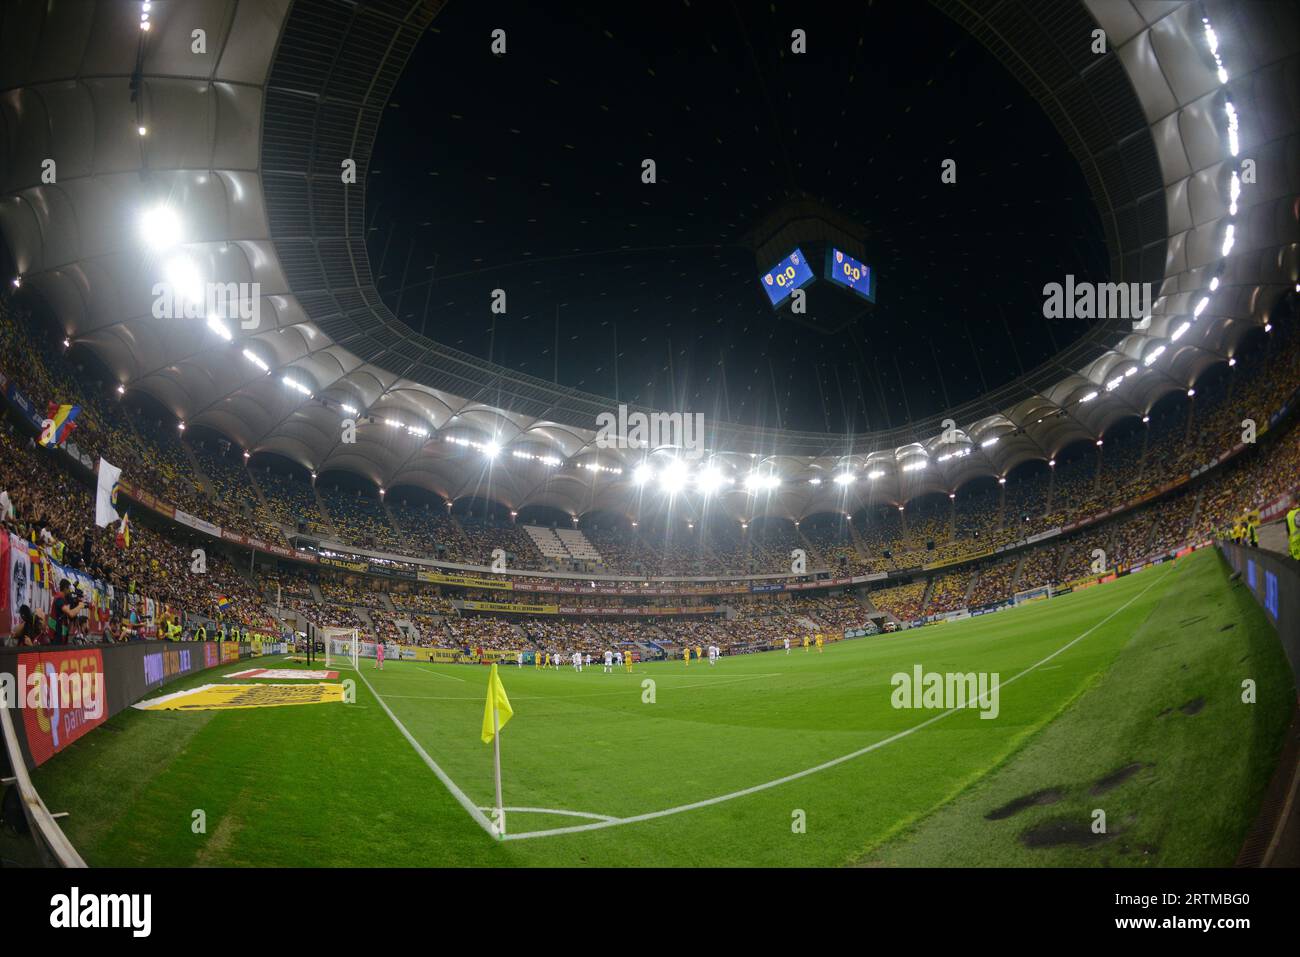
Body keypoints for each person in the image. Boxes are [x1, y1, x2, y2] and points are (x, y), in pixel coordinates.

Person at [1288, 496, 1300, 561]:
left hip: (1295, 547)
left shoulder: (1288, 515)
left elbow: (1288, 534)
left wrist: (1290, 551)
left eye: (1289, 502)